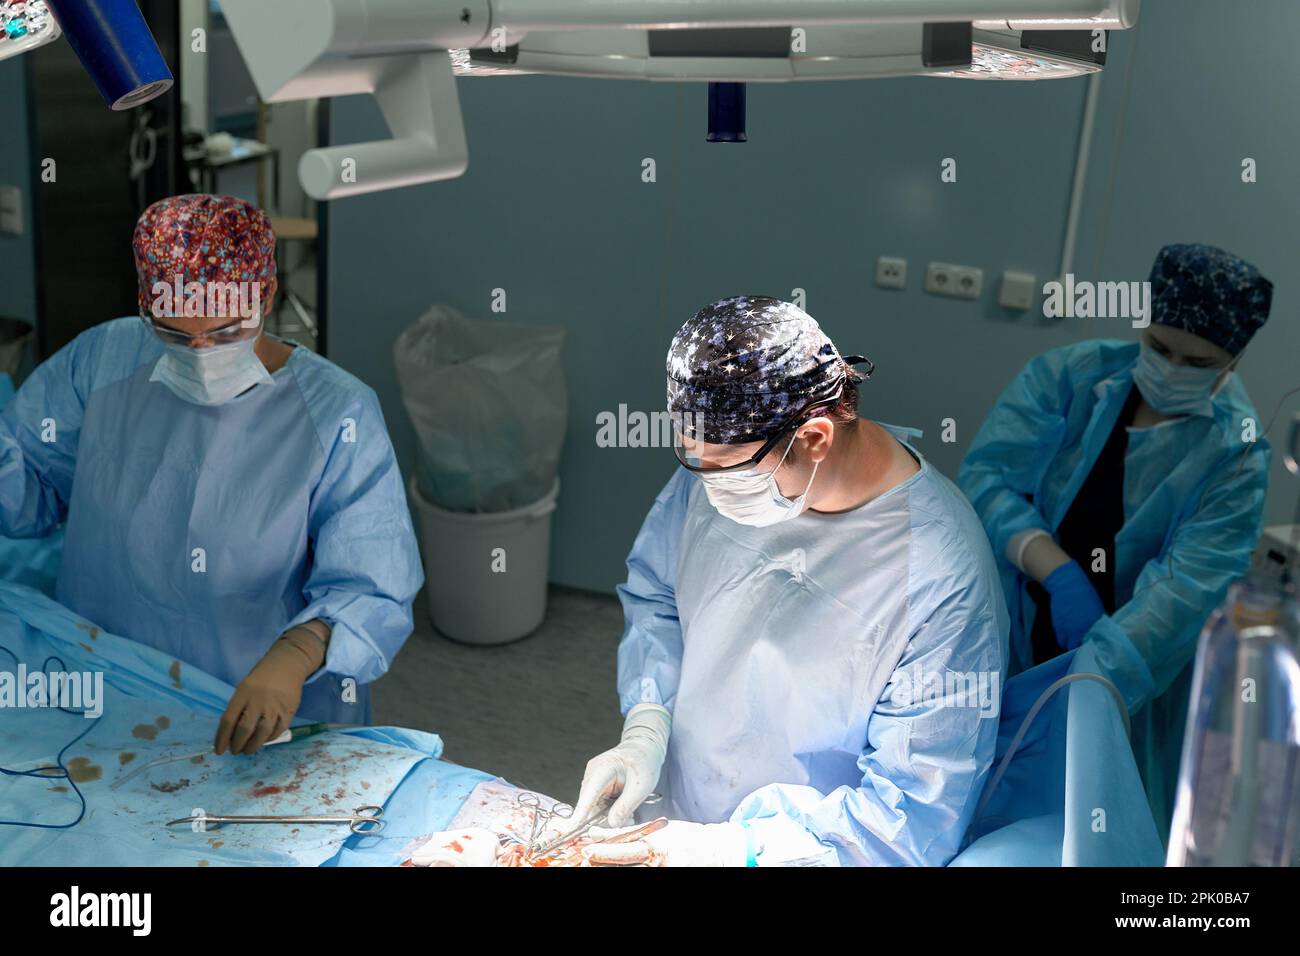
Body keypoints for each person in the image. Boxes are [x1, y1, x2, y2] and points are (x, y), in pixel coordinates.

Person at [569, 295, 1008, 867]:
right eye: (695, 459)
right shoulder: (721, 469)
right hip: (683, 812)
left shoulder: (939, 579)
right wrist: (648, 724)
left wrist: (741, 849)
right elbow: (657, 594)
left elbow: (908, 820)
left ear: (816, 438)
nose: (711, 486)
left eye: (729, 468)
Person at [0, 194, 423, 752]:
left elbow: (372, 585)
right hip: (106, 679)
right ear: (144, 306)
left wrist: (295, 655)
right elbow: (30, 493)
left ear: (266, 294)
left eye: (225, 331)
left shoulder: (337, 413)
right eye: (174, 335)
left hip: (250, 707)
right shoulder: (104, 359)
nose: (200, 353)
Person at [959, 243, 1273, 836]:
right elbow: (989, 477)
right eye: (1158, 347)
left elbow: (1185, 591)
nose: (1171, 367)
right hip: (1016, 624)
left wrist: (1095, 673)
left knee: (1087, 815)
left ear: (1231, 362)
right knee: (977, 788)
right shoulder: (1069, 377)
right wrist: (1053, 568)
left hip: (1125, 667)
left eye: (1197, 362)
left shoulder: (1237, 453)